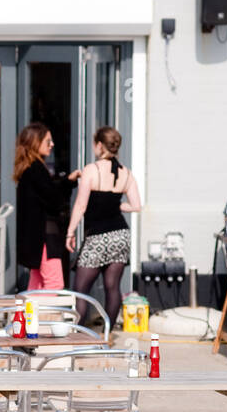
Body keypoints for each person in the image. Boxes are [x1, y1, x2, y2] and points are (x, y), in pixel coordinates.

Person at [66, 126, 142, 326]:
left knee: (81, 289)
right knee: (112, 287)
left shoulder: (91, 170)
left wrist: (70, 232)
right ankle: (107, 336)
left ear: (99, 145)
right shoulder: (126, 173)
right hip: (120, 235)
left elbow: (81, 205)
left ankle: (81, 336)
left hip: (97, 237)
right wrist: (118, 205)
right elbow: (136, 206)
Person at [13, 123, 76, 293]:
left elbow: (47, 195)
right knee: (54, 284)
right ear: (36, 143)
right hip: (44, 236)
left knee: (37, 285)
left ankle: (27, 318)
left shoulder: (28, 170)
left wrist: (66, 182)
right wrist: (68, 184)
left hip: (35, 239)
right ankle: (40, 320)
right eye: (48, 141)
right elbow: (54, 200)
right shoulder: (36, 170)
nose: (52, 144)